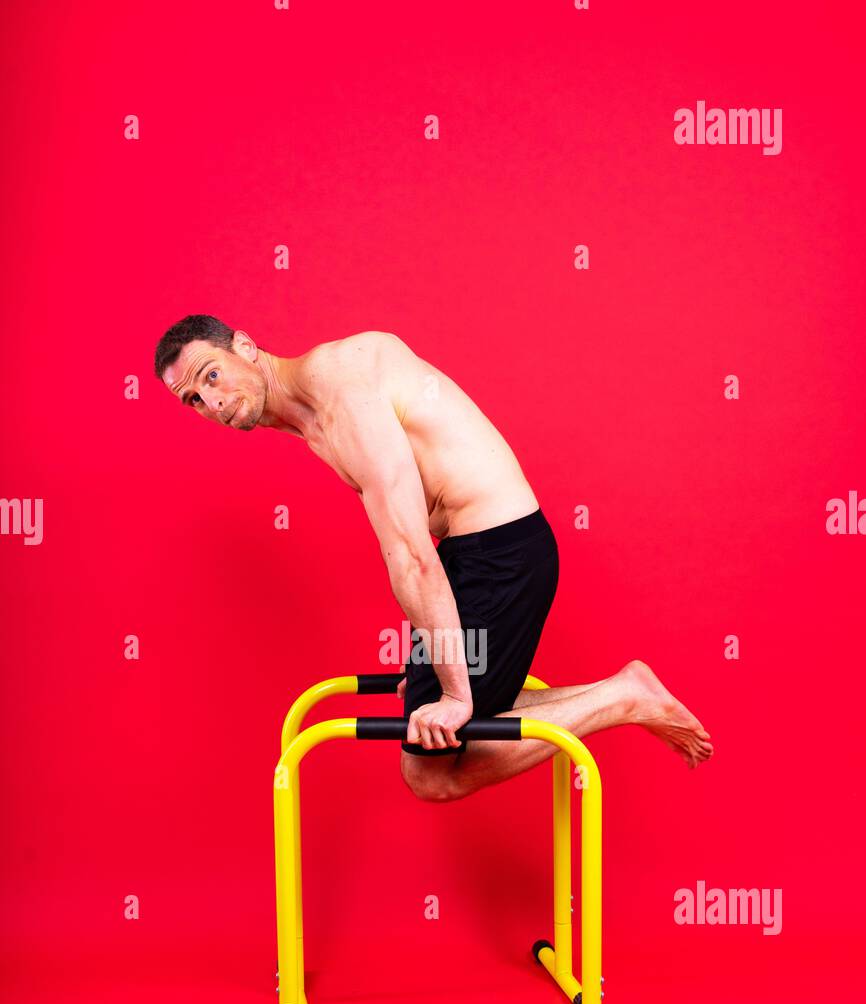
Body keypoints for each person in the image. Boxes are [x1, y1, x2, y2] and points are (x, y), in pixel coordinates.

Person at [155, 315, 713, 801]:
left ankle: (623, 697)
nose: (214, 401)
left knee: (429, 773)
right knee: (458, 714)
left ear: (245, 347)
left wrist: (450, 688)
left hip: (498, 553)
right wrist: (432, 664)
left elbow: (409, 552)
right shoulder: (307, 415)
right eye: (194, 401)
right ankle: (623, 690)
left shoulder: (338, 384)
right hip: (478, 557)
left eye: (211, 375)